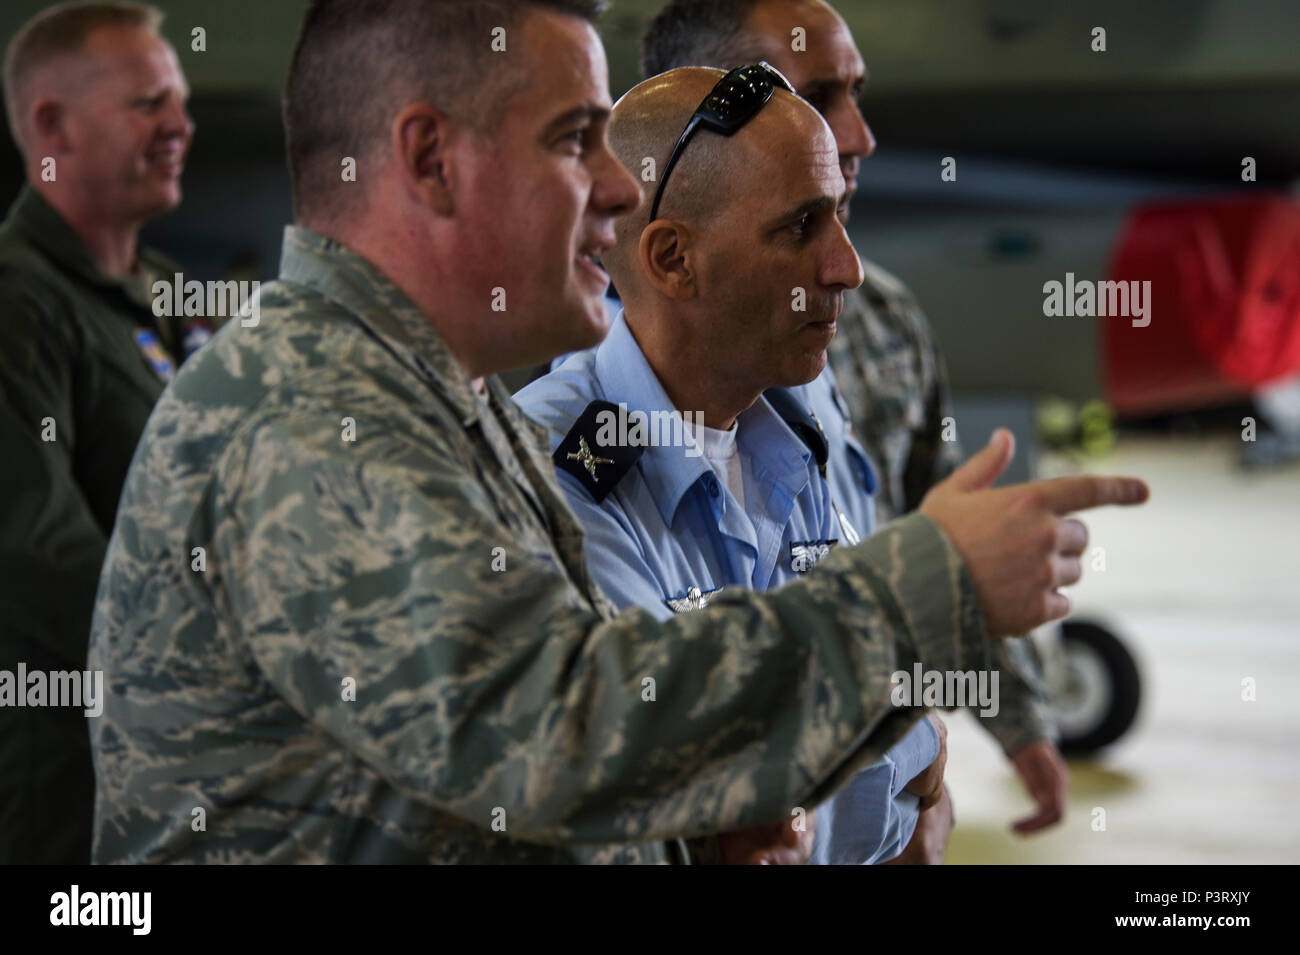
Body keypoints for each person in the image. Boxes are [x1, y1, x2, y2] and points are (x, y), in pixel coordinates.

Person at [88, 0, 1146, 864]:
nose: (610, 186)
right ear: (430, 159)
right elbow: (552, 729)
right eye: (569, 139)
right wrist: (922, 589)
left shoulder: (429, 396)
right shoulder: (317, 413)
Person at [642, 0, 1069, 836]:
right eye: (817, 98)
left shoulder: (880, 321)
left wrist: (1012, 722)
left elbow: (934, 532)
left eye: (856, 95)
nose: (859, 135)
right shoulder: (605, 342)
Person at [516, 65, 950, 864]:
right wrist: (902, 762)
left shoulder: (790, 433)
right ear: (675, 260)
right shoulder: (558, 477)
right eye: (800, 227)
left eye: (842, 218)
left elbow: (895, 712)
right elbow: (700, 819)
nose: (846, 267)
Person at [0, 0, 194, 864]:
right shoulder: (19, 301)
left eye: (179, 101)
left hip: (187, 770)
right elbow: (32, 540)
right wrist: (206, 658)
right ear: (53, 125)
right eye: (148, 103)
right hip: (71, 786)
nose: (180, 125)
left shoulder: (167, 296)